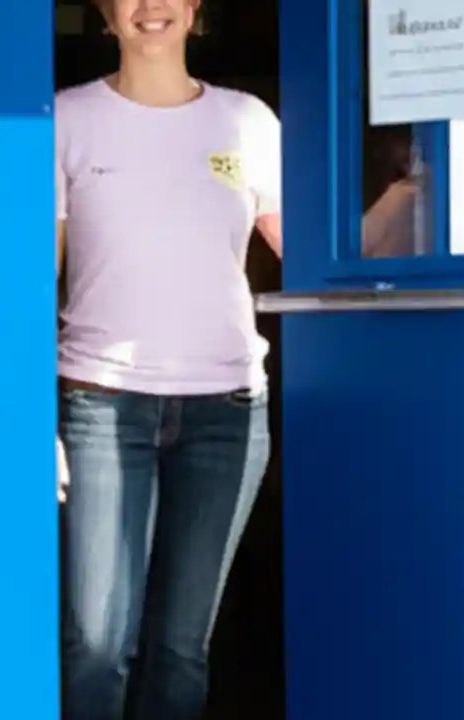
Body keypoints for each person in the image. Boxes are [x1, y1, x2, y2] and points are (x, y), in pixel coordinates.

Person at [53, 1, 280, 718]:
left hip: (227, 414)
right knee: (96, 641)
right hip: (99, 406)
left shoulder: (247, 122)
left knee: (182, 647)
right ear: (106, 13)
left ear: (194, 9)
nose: (151, 8)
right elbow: (33, 277)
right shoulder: (66, 118)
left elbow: (312, 255)